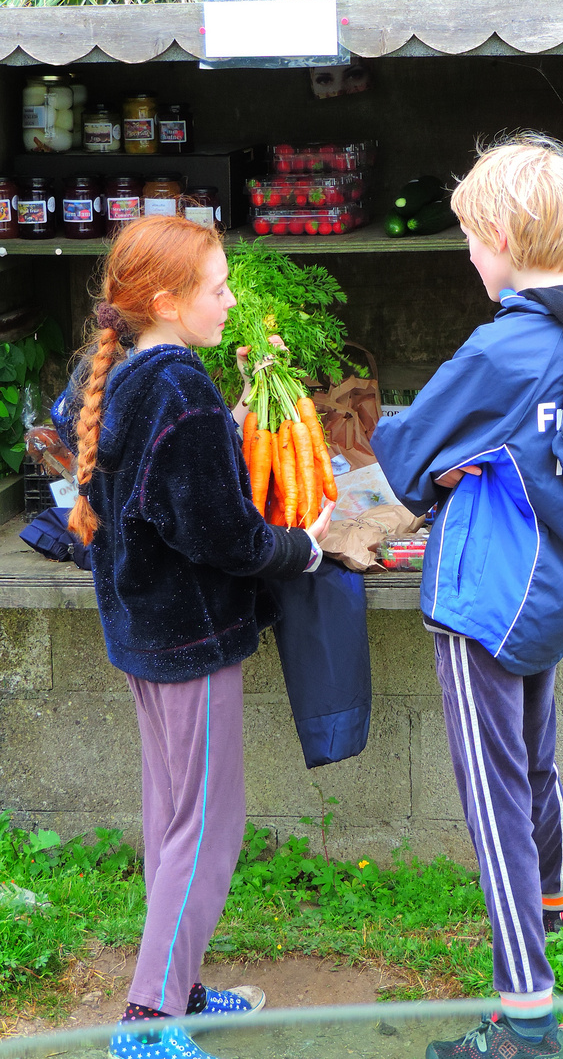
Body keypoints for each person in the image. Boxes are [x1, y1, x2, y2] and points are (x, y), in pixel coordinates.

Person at [371, 133, 563, 1059]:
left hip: (486, 596)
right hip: (554, 583)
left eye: (470, 239)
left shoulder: (503, 349)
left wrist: (421, 446)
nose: (468, 256)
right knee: (536, 754)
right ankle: (558, 897)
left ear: (495, 234)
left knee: (492, 799)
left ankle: (526, 1020)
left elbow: (408, 454)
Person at [52, 214, 334, 1059]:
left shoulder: (124, 376)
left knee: (171, 815)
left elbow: (153, 488)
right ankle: (148, 1022)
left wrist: (233, 420)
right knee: (207, 828)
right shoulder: (182, 390)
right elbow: (225, 537)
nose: (231, 300)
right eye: (218, 289)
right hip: (192, 641)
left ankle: (178, 984)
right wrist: (307, 547)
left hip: (142, 632)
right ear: (168, 302)